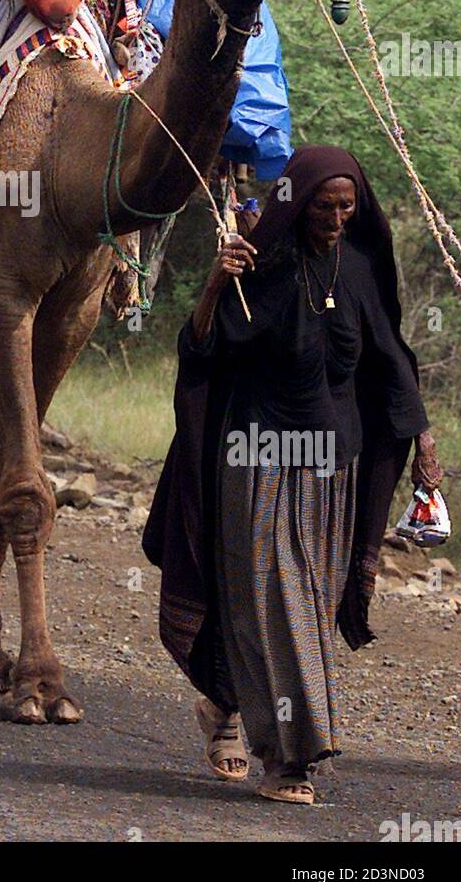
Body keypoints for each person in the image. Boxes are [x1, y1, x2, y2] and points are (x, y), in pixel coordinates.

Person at [143, 145, 443, 805]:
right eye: (323, 205)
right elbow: (198, 353)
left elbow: (394, 364)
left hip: (332, 469)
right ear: (297, 202)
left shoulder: (359, 268)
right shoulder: (258, 264)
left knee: (303, 608)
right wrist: (218, 282)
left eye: (346, 206)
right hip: (255, 460)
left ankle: (226, 703)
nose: (336, 217)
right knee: (275, 606)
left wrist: (422, 448)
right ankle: (292, 758)